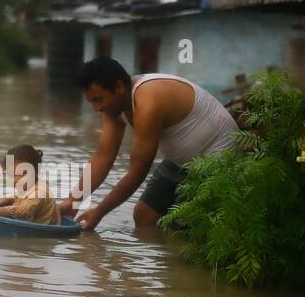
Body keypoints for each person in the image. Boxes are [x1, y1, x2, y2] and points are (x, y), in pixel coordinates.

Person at [61, 57, 237, 231]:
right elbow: (103, 156)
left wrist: (99, 211)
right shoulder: (114, 106)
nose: (96, 109)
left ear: (119, 87)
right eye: (91, 102)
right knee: (144, 215)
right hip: (181, 159)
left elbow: (138, 172)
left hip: (218, 158)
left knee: (176, 231)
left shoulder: (148, 102)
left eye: (99, 100)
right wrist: (73, 200)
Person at [0, 144, 62, 225]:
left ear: (36, 172)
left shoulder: (40, 192)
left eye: (22, 174)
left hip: (46, 232)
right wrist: (11, 198)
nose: (16, 180)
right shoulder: (28, 185)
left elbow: (23, 211)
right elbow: (25, 197)